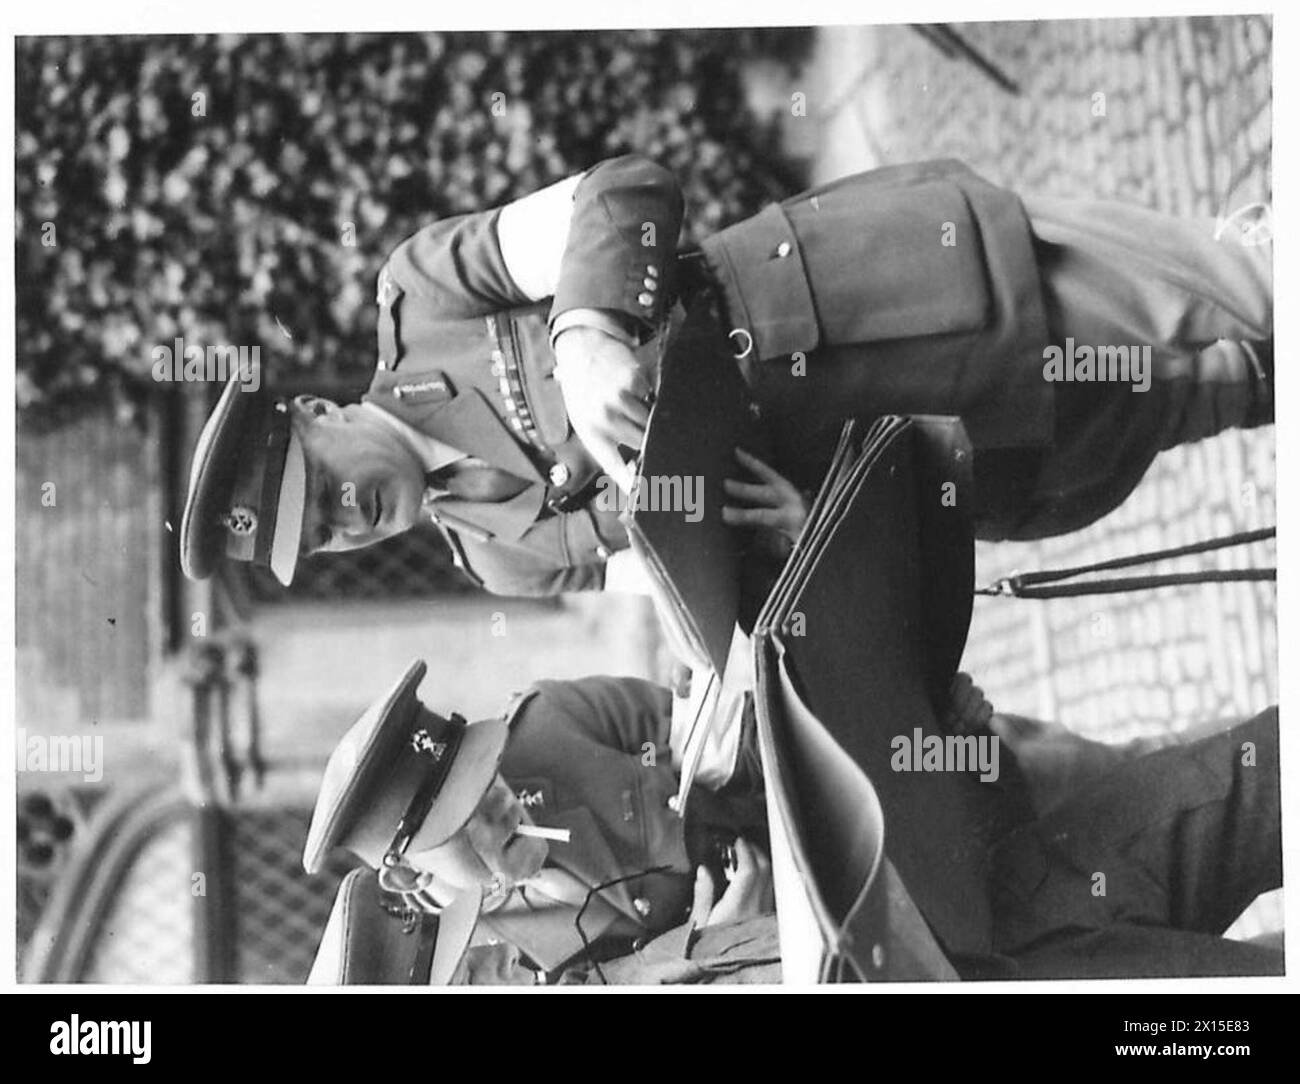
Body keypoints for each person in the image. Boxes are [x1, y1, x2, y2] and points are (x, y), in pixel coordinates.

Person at [180, 154, 1271, 593]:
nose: (348, 516)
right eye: (322, 533)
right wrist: (809, 534)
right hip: (936, 456)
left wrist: (585, 332)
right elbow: (716, 582)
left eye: (318, 488)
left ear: (317, 412)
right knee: (1222, 397)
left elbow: (619, 193)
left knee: (1247, 301)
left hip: (897, 303)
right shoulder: (505, 564)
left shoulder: (423, 299)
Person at [302, 658, 772, 982]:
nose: (502, 801)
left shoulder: (550, 724)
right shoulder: (471, 965)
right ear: (408, 873)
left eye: (484, 773)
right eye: (464, 816)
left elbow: (746, 738)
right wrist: (715, 946)